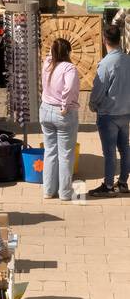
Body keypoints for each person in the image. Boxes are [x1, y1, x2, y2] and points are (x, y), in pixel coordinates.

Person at [89, 23, 130, 197]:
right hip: (125, 111)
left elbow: (98, 90)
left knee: (110, 151)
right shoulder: (127, 60)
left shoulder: (106, 64)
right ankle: (122, 182)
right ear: (119, 39)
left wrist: (92, 104)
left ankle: (107, 185)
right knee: (125, 148)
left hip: (109, 113)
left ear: (104, 40)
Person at [40, 37, 80, 201]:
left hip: (46, 110)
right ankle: (64, 192)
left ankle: (48, 191)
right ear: (68, 52)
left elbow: (49, 56)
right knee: (65, 154)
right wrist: (65, 105)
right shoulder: (69, 68)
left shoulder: (47, 64)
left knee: (50, 152)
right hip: (63, 113)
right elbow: (69, 87)